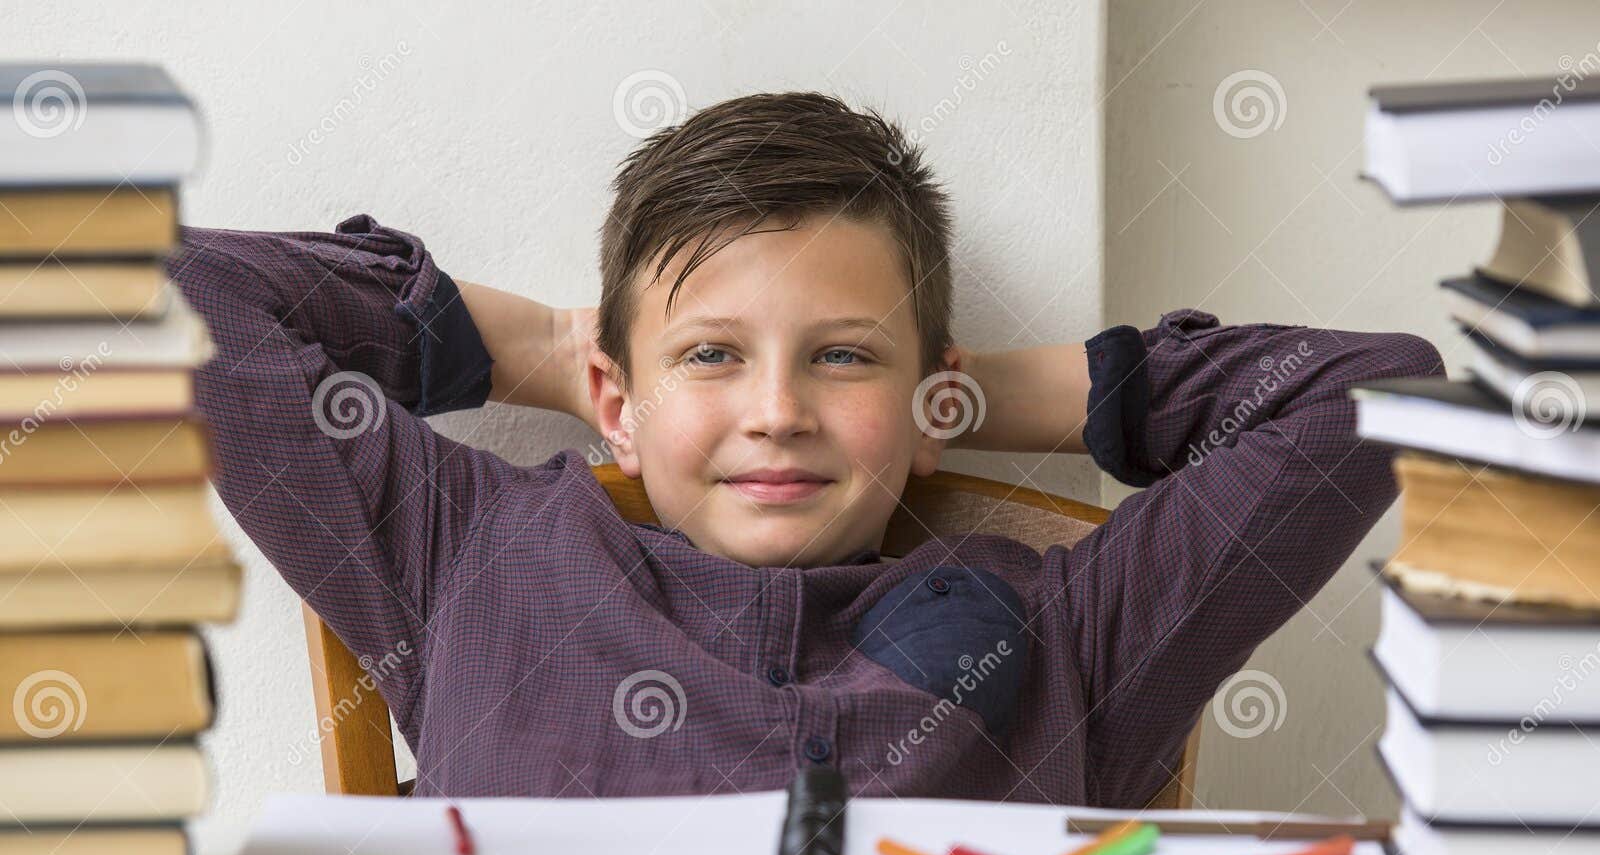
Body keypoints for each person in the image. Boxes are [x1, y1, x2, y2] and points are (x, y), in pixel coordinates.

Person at [167, 91, 1443, 804]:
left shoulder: (1070, 629)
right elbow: (171, 290)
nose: (777, 410)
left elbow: (1367, 396)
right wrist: (561, 351)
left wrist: (946, 398)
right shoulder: (465, 560)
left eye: (840, 356)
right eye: (713, 356)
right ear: (615, 392)